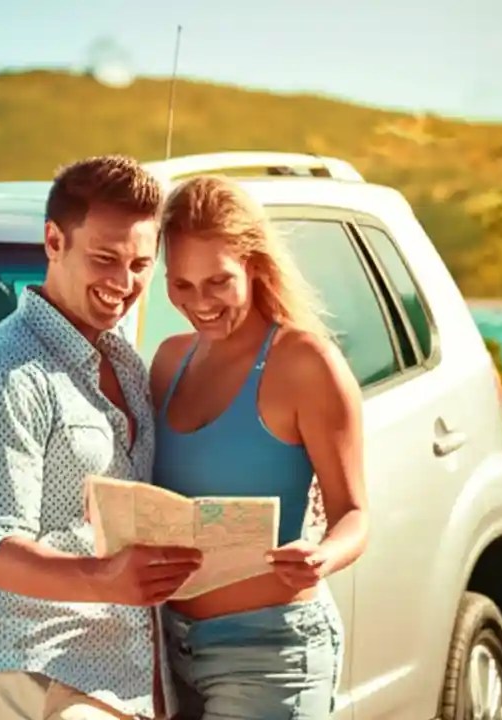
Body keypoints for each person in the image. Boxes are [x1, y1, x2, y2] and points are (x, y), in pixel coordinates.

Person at [0, 155, 203, 720]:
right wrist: (107, 579)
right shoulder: (0, 374)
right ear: (53, 240)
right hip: (37, 672)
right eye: (104, 259)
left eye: (139, 264)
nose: (123, 284)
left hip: (130, 670)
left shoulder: (127, 362)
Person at [149, 175, 369, 718]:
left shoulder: (304, 363)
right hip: (168, 649)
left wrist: (321, 557)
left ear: (254, 263)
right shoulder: (168, 362)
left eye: (217, 281)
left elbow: (355, 514)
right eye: (181, 285)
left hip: (270, 654)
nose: (199, 302)